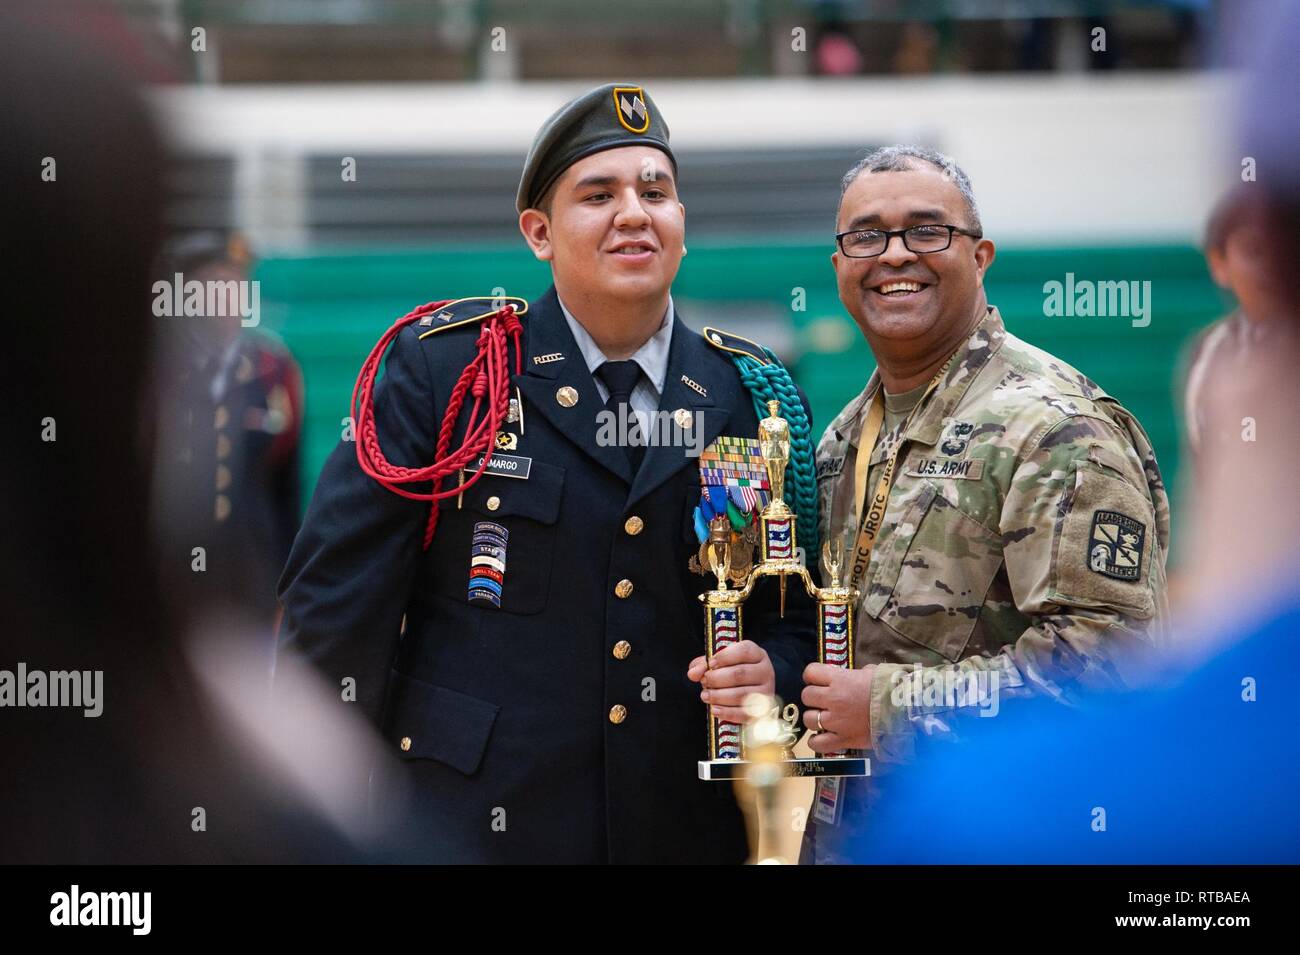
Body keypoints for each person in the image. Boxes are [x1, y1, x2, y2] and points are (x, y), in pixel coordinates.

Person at [277, 83, 818, 864]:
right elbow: (332, 611)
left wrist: (773, 667)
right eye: (598, 194)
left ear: (681, 223)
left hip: (680, 829)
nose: (634, 212)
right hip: (472, 826)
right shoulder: (451, 375)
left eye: (655, 191)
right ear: (539, 232)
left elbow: (798, 621)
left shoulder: (751, 395)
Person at [798, 145, 1171, 863]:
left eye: (927, 231)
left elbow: (1108, 672)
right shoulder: (844, 436)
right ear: (840, 265)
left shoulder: (1057, 426)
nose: (895, 255)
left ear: (981, 255)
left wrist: (884, 707)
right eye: (867, 236)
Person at [153, 230, 305, 657]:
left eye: (236, 283)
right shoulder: (157, 373)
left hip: (253, 585)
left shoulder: (274, 370)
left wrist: (288, 588)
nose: (228, 297)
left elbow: (286, 488)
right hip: (170, 583)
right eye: (213, 284)